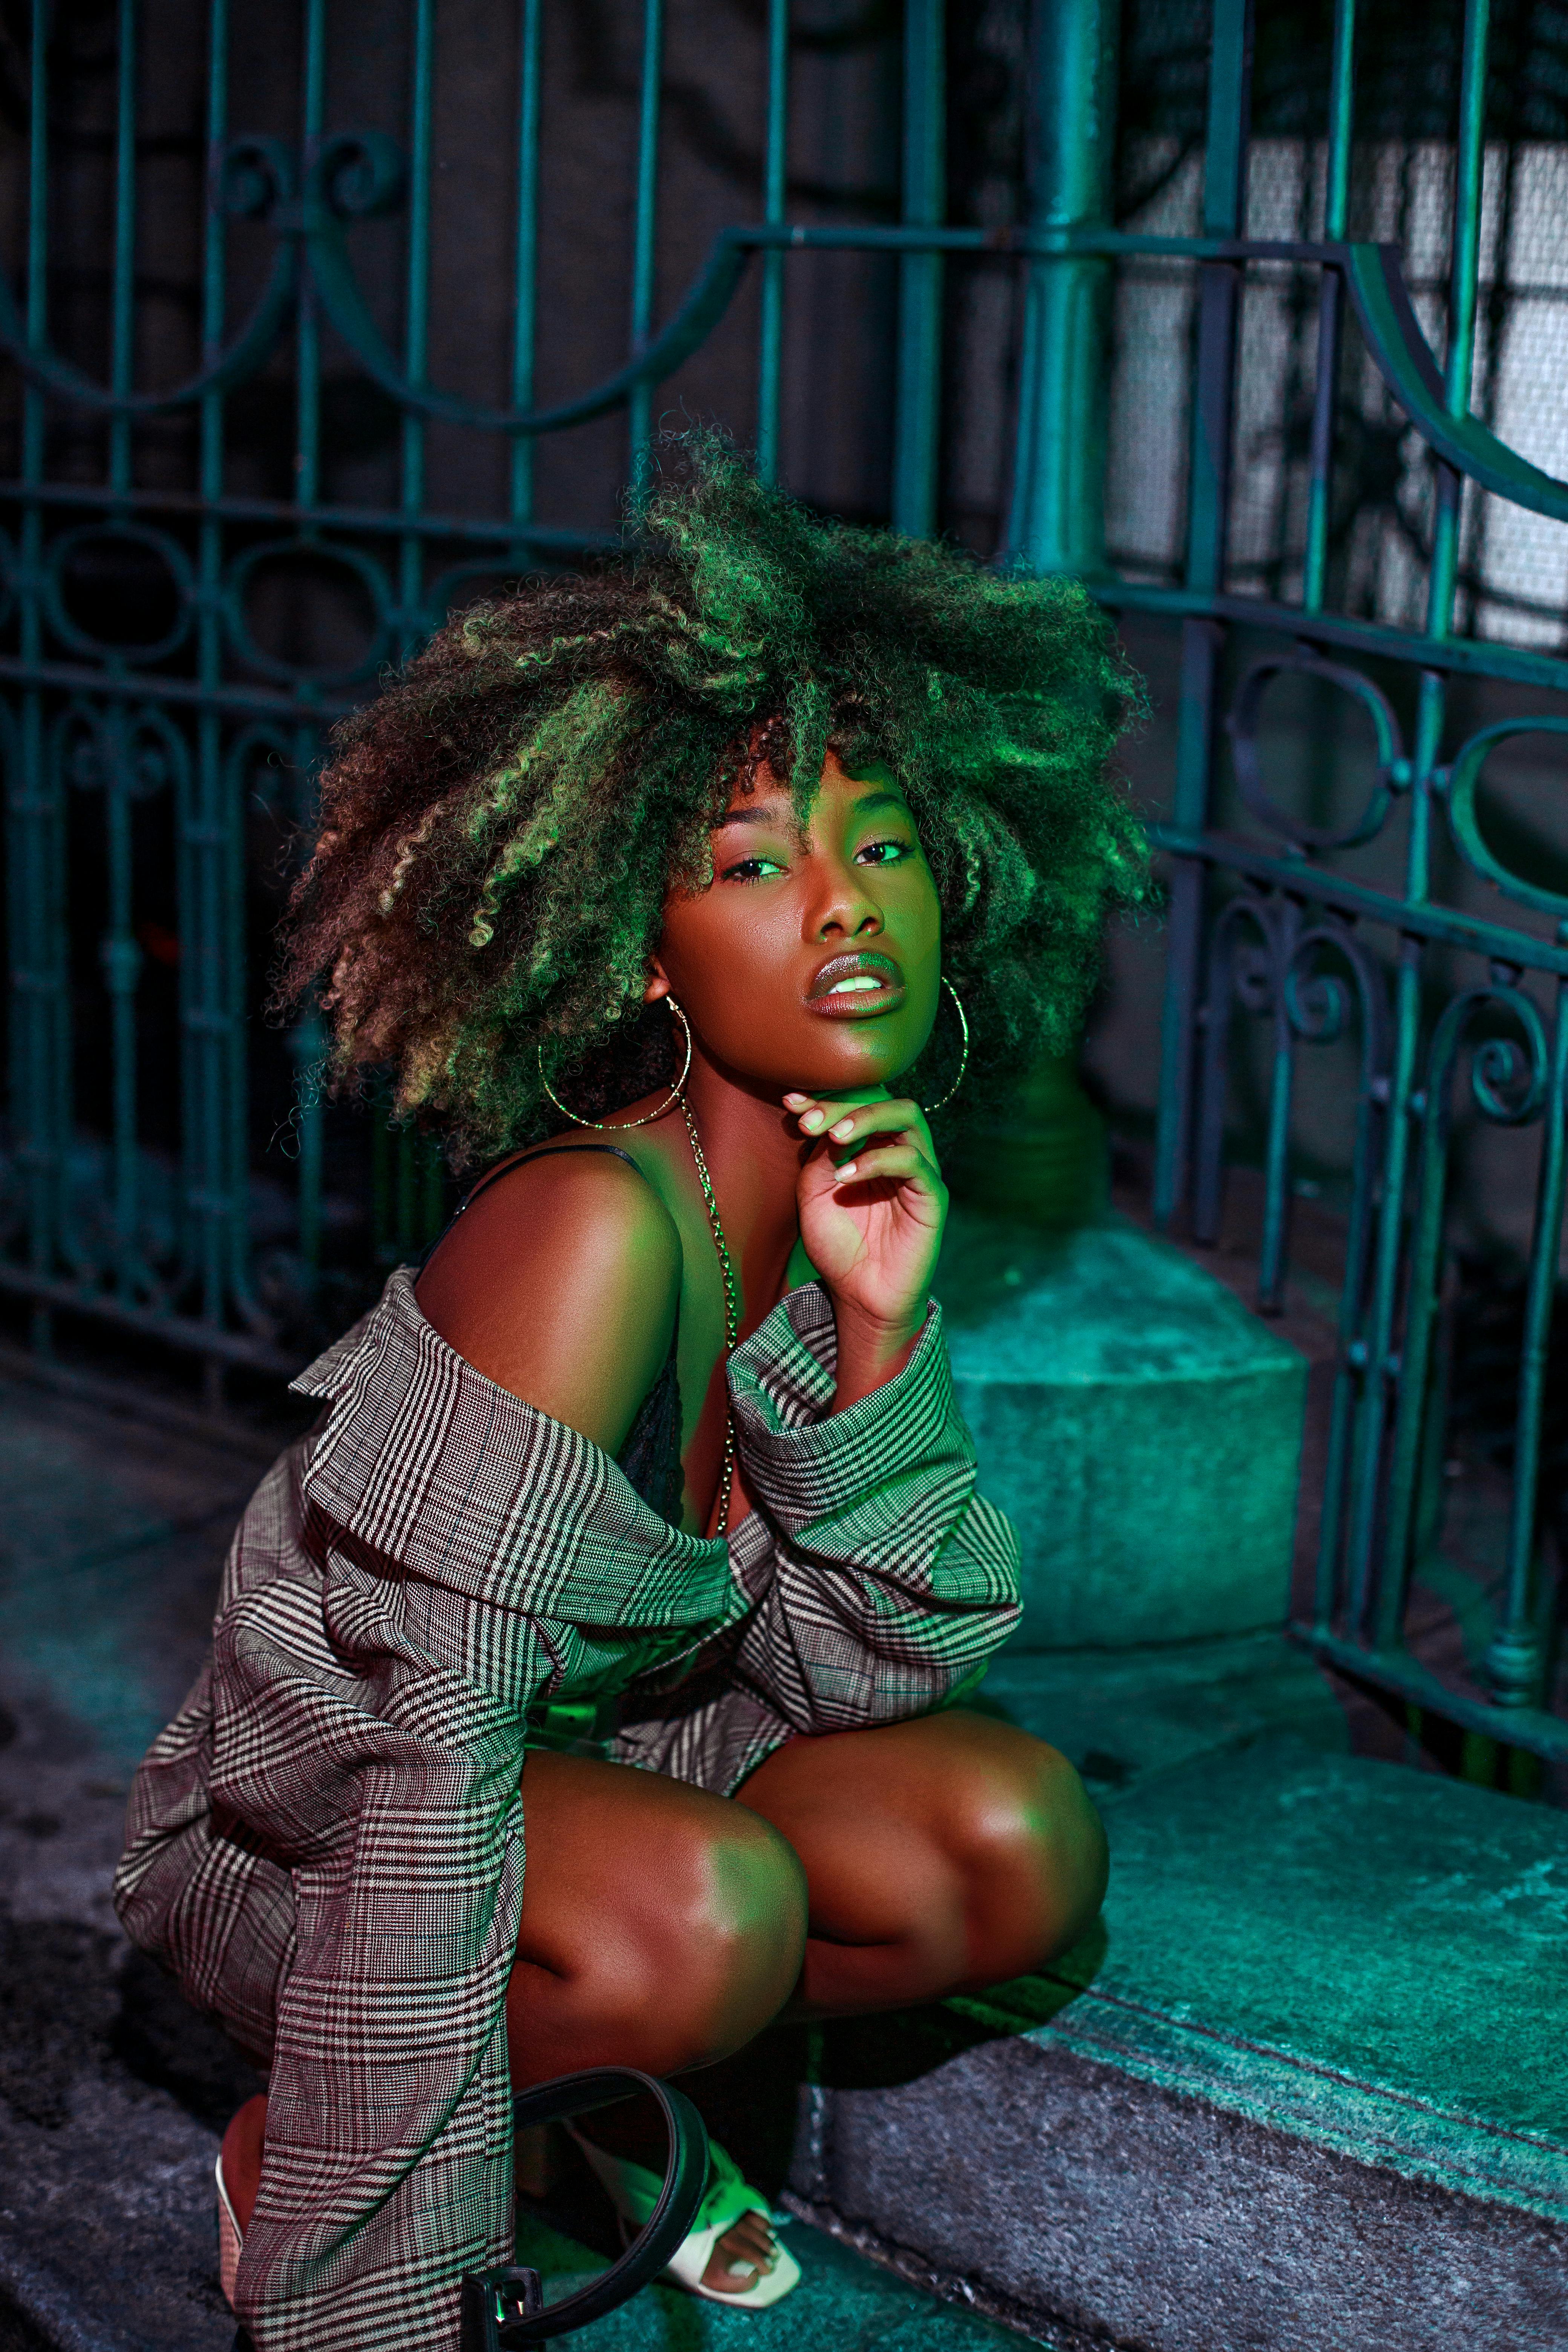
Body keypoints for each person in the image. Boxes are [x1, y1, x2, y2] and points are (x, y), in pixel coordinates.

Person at [113, 437, 1147, 2352]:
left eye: (884, 841)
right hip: (325, 1854)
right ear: (641, 943)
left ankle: (557, 2124)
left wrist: (872, 1337)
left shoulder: (830, 1209)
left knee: (1004, 1844)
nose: (843, 905)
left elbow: (867, 1685)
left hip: (615, 1782)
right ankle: (310, 2156)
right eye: (750, 863)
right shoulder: (591, 1230)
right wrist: (366, 2295)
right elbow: (426, 1783)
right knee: (708, 1914)